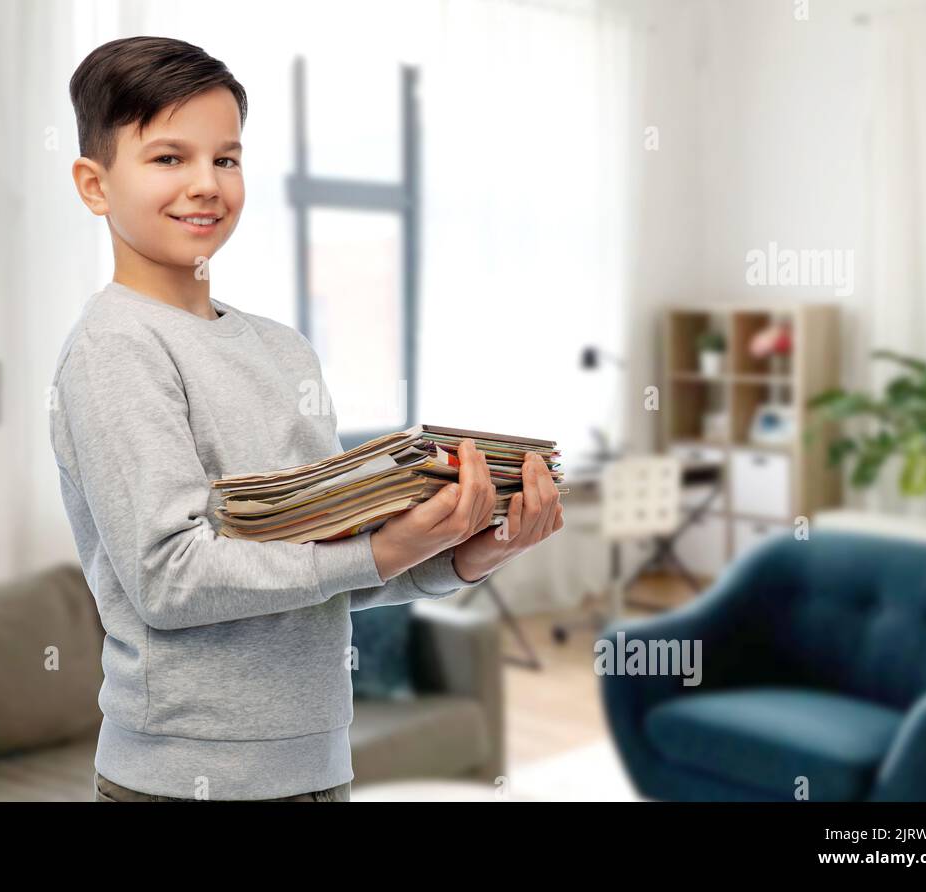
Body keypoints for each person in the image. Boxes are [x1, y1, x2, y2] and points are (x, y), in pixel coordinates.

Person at [52, 35, 564, 803]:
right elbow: (169, 579)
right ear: (95, 185)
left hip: (320, 772)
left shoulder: (283, 350)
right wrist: (373, 553)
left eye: (226, 158)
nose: (206, 184)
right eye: (168, 158)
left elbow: (328, 574)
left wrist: (470, 551)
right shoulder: (114, 349)